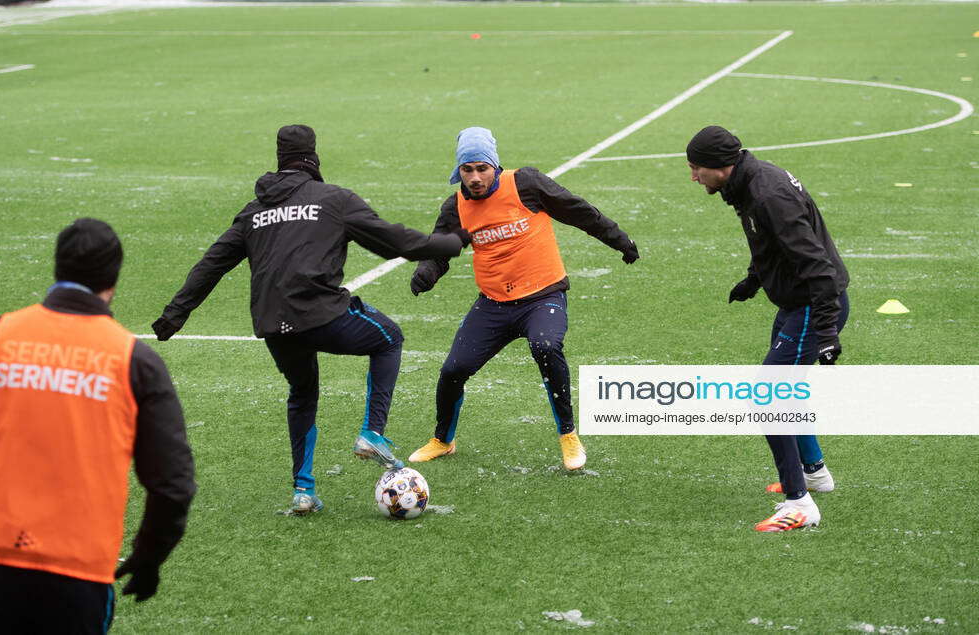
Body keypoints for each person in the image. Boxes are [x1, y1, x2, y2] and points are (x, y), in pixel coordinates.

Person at [152, 124, 469, 515]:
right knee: (388, 338)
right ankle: (372, 432)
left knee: (303, 391)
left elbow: (211, 264)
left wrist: (175, 313)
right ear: (313, 158)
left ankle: (303, 490)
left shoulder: (254, 212)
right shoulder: (333, 199)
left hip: (273, 325)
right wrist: (451, 243)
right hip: (322, 313)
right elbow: (395, 242)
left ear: (280, 160)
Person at [0, 218, 196, 633]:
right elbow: (173, 484)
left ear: (57, 268)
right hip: (76, 573)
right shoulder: (134, 360)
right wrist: (148, 558)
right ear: (113, 278)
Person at [407, 126, 639, 471]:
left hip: (543, 296)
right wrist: (427, 273)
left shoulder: (527, 184)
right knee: (454, 369)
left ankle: (568, 436)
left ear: (495, 166)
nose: (474, 177)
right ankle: (442, 440)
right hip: (493, 305)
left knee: (545, 345)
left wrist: (619, 239)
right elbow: (441, 249)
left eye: (481, 168)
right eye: (467, 170)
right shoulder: (456, 206)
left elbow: (579, 211)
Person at [685, 125, 849, 532]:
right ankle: (814, 474)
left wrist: (827, 334)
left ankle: (801, 505)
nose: (693, 177)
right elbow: (772, 247)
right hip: (796, 304)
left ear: (720, 167)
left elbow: (817, 266)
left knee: (768, 397)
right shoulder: (746, 184)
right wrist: (754, 279)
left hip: (812, 305)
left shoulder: (767, 194)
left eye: (695, 168)